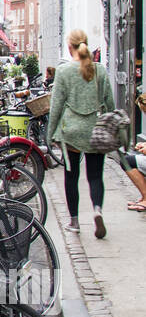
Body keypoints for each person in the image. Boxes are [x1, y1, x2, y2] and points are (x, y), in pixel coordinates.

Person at [47, 28, 115, 237]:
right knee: (95, 176)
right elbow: (109, 102)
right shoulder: (100, 71)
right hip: (94, 130)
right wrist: (111, 124)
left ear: (70, 48)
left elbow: (56, 105)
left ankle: (74, 221)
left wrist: (50, 134)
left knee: (71, 176)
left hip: (71, 132)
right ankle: (97, 210)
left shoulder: (64, 71)